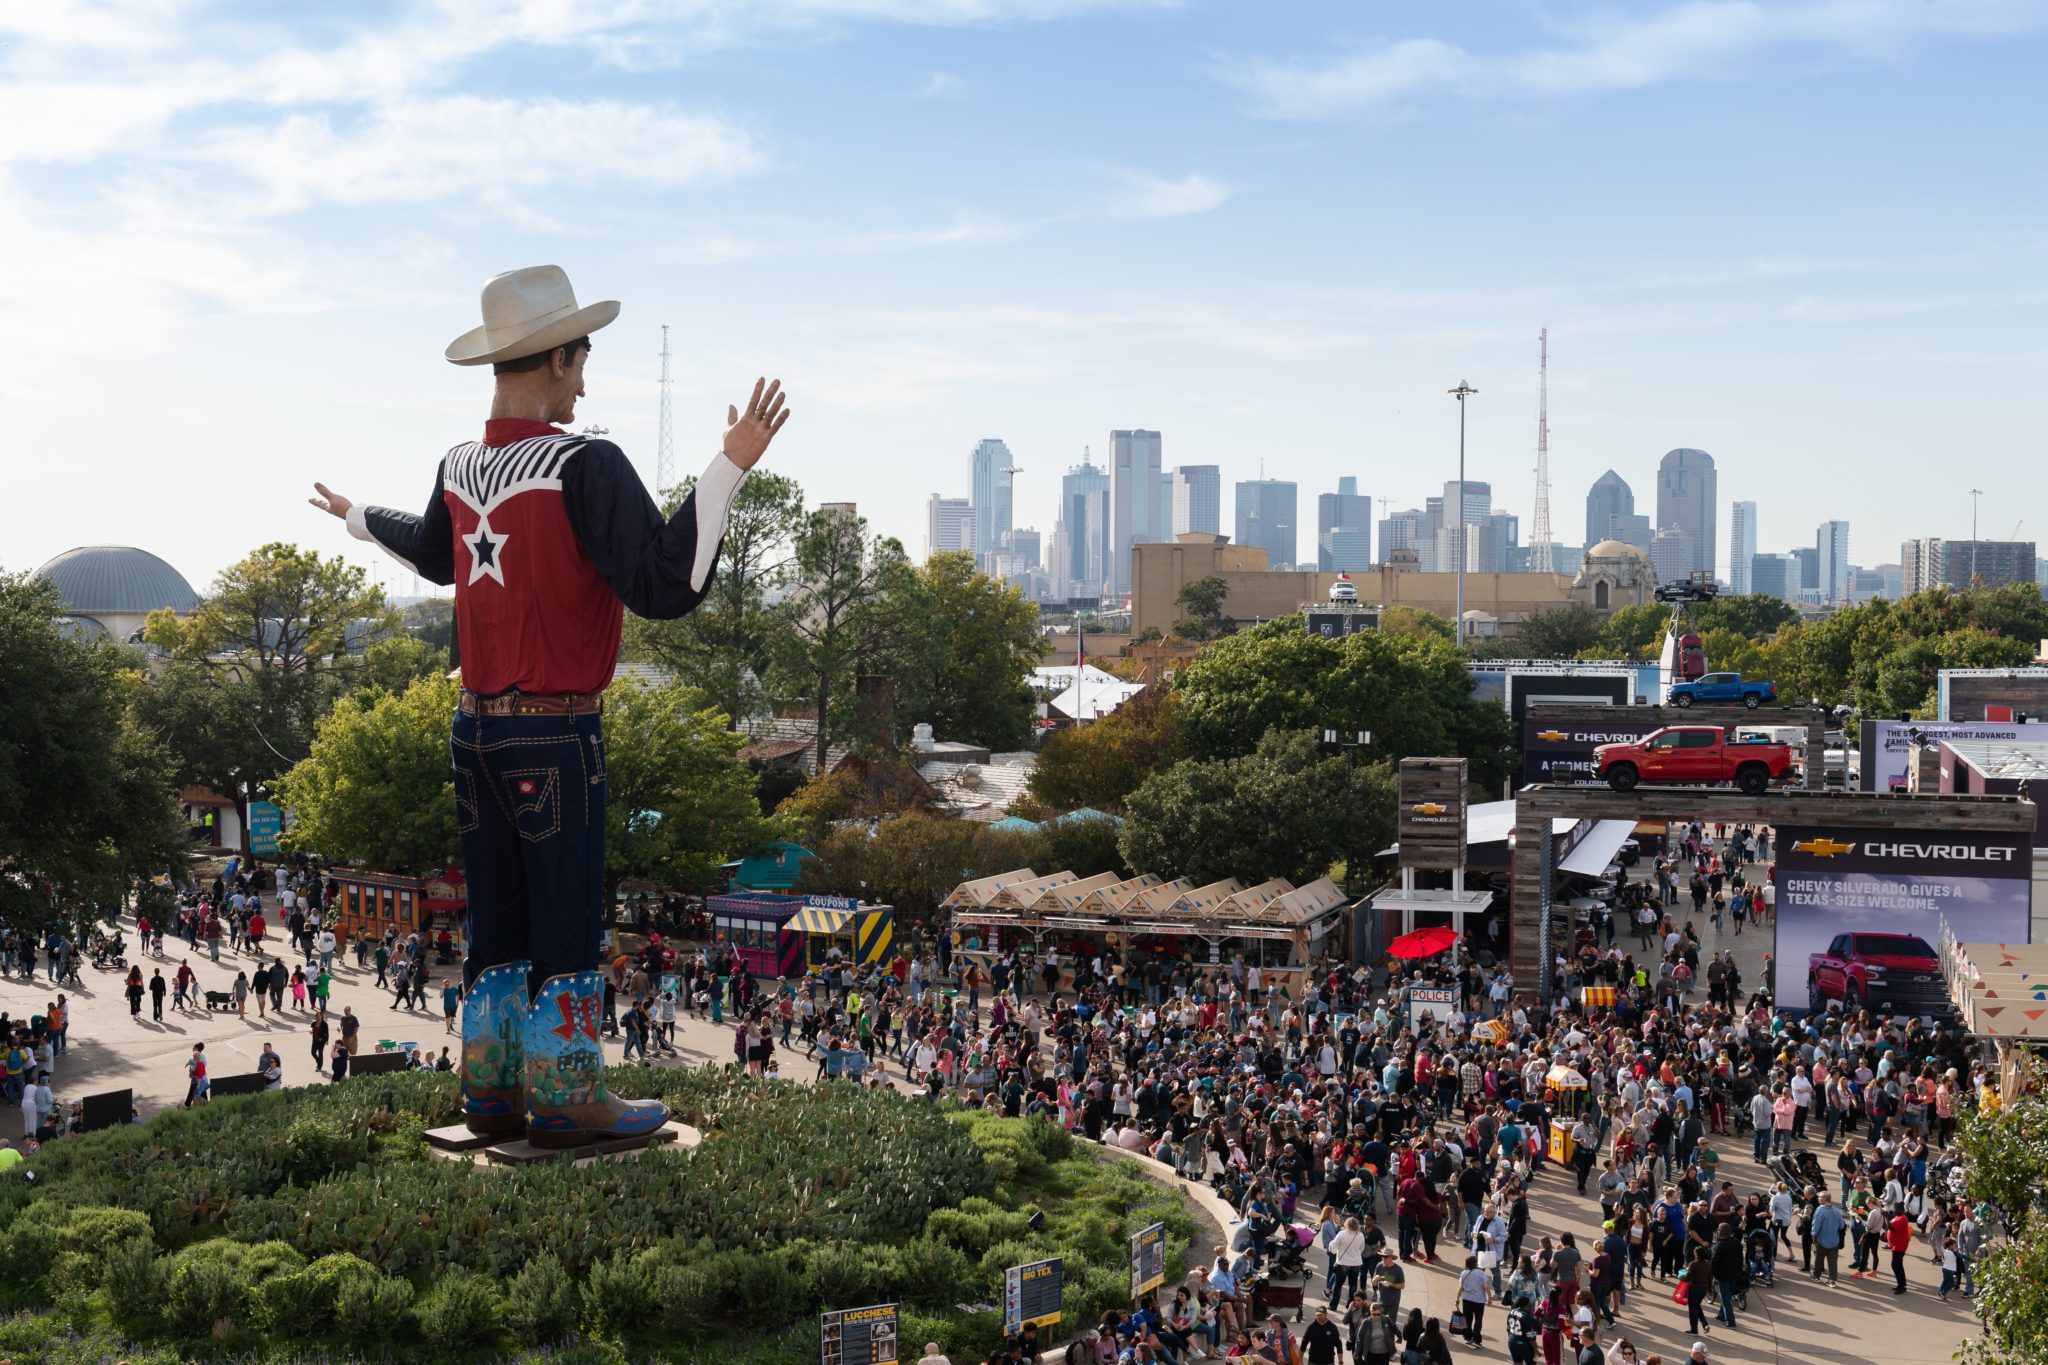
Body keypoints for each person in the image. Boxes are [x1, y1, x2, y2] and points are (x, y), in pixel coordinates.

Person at [310, 264, 789, 1147]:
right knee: (566, 918)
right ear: (555, 357)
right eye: (580, 361)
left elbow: (430, 552)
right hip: (558, 733)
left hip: (474, 733)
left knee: (496, 919)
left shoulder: (460, 466)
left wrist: (353, 516)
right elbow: (664, 583)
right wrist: (728, 470)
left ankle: (490, 1096)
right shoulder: (585, 463)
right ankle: (569, 1097)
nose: (583, 381)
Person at [183, 1043, 208, 1108]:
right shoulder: (199, 1060)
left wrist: (198, 1083)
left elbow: (200, 1074)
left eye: (193, 1048)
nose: (193, 1058)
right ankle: (206, 1103)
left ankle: (187, 1104)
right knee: (201, 1091)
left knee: (193, 1091)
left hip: (198, 1080)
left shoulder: (199, 1063)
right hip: (198, 1079)